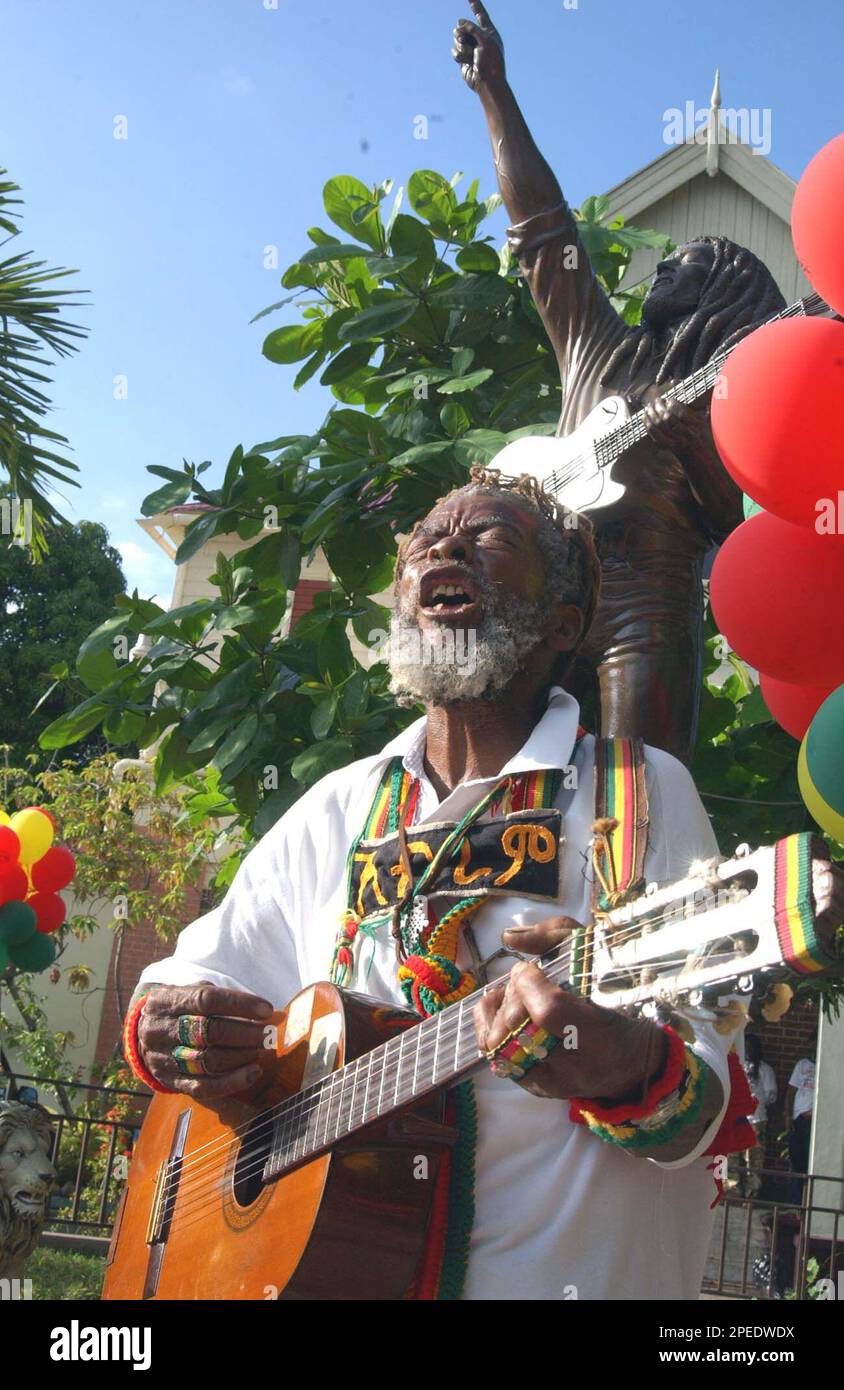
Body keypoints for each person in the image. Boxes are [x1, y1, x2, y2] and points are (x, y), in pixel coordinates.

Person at [123, 471, 841, 1301]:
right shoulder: (338, 806)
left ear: (560, 624)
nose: (446, 547)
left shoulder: (642, 794)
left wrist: (617, 1059)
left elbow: (701, 1115)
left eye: (492, 538)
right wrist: (179, 1030)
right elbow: (185, 981)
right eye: (427, 538)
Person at [452, 3, 787, 764]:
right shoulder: (598, 344)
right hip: (547, 587)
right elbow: (542, 227)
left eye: (689, 258)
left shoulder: (747, 393)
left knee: (642, 787)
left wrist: (692, 447)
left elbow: (743, 536)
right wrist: (494, 92)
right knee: (510, 780)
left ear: (726, 285)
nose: (664, 264)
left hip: (649, 598)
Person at [730, 1033, 776, 1197]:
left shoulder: (764, 1070)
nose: (748, 1051)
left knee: (753, 1159)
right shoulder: (737, 1066)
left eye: (751, 1047)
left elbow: (771, 1095)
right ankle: (733, 1191)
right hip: (736, 1120)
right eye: (745, 1047)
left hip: (756, 1120)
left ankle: (752, 1193)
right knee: (733, 1157)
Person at [785, 1030, 817, 1205]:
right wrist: (788, 1116)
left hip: (816, 1121)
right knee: (797, 1159)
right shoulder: (802, 1065)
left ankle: (809, 1200)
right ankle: (796, 1200)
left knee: (810, 1161)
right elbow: (791, 1092)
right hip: (800, 1118)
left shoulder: (829, 1064)